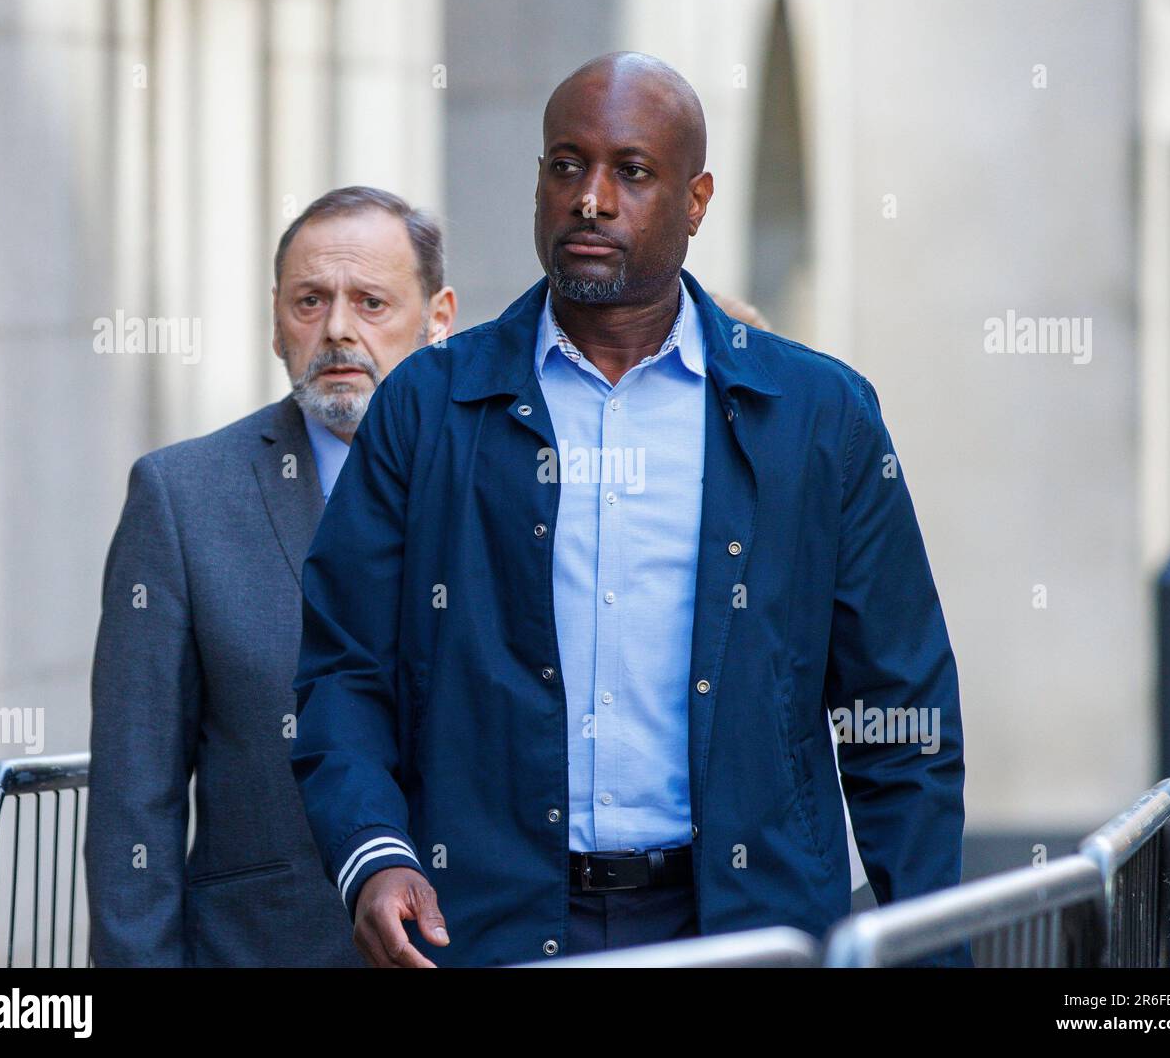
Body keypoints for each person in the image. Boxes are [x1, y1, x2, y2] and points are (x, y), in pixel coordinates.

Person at [292, 54, 969, 968]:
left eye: (633, 172)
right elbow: (343, 669)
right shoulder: (428, 407)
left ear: (696, 202)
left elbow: (899, 711)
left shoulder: (818, 416)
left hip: (745, 931)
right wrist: (375, 855)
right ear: (538, 185)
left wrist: (925, 944)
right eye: (565, 166)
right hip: (489, 927)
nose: (592, 200)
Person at [85, 186, 456, 966]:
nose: (339, 329)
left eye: (372, 301)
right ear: (276, 322)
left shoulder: (502, 481)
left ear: (439, 318)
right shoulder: (182, 497)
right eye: (309, 301)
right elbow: (133, 803)